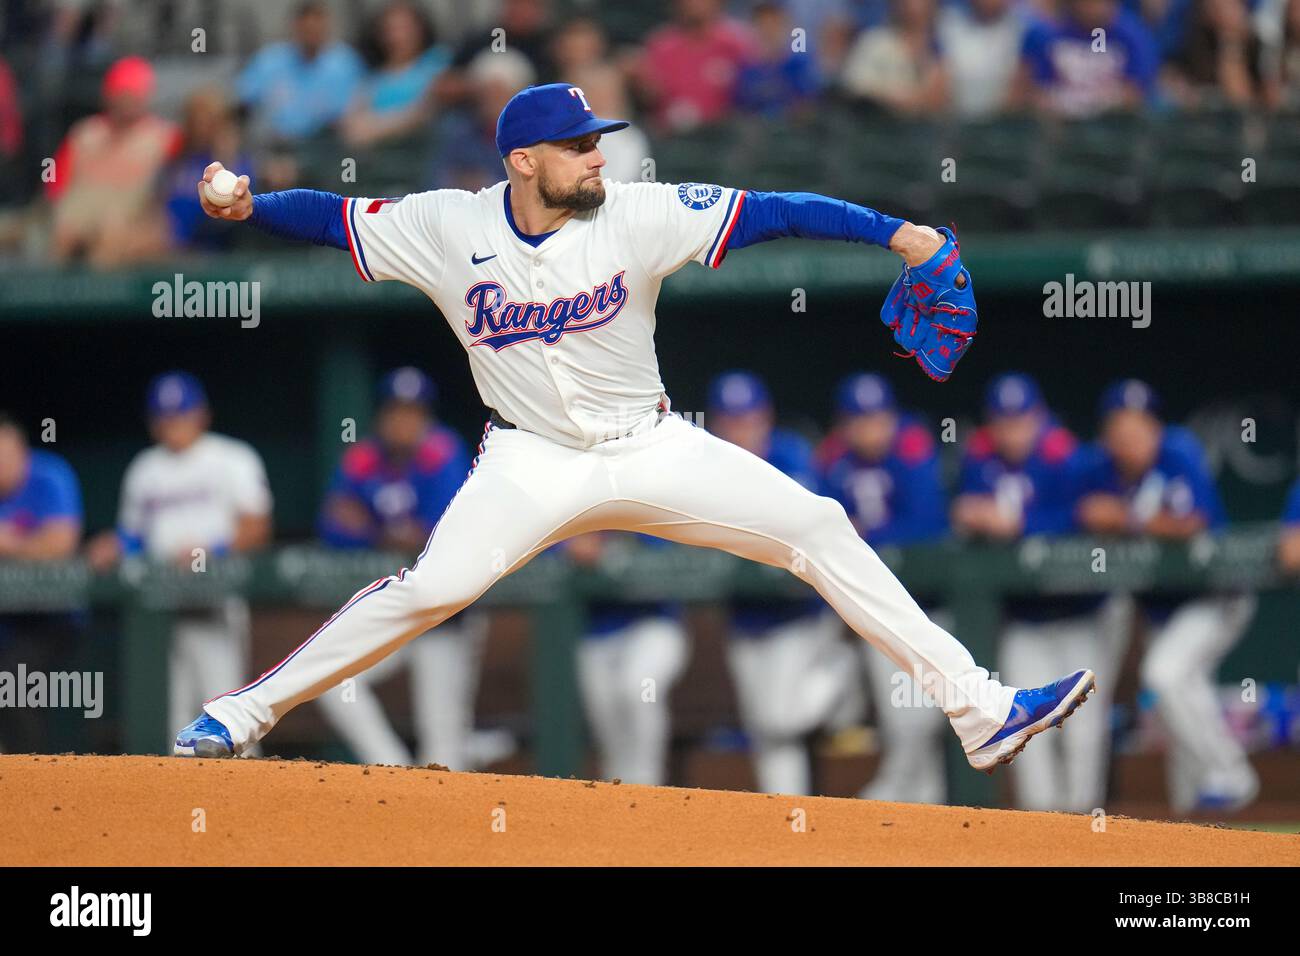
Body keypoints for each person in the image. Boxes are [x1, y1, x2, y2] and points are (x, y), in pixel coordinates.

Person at [177, 82, 1094, 777]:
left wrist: (905, 236)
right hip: (529, 459)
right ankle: (241, 714)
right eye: (577, 146)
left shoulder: (639, 212)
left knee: (817, 525)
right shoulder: (444, 226)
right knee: (431, 589)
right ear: (523, 161)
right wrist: (250, 204)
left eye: (598, 141)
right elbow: (336, 219)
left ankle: (980, 710)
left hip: (651, 445)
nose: (598, 157)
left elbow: (777, 210)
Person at [1075, 380, 1258, 814]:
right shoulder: (1099, 466)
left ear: (1156, 428)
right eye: (1121, 430)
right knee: (1179, 703)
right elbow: (1078, 510)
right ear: (1108, 435)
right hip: (1163, 610)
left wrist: (1125, 517)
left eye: (1141, 428)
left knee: (1165, 674)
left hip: (1214, 596)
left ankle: (1231, 771)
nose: (1132, 440)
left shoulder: (1178, 451)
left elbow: (1192, 523)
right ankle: (1193, 821)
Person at [953, 373, 1123, 812]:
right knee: (1025, 722)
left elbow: (1093, 514)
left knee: (1085, 729)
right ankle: (1040, 827)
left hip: (1080, 613)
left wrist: (1021, 523)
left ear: (1039, 417)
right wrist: (971, 516)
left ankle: (1086, 821)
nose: (1013, 431)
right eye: (1004, 421)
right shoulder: (980, 460)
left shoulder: (1069, 456)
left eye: (1022, 419)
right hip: (1024, 619)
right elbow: (960, 516)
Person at [85, 372, 272, 751]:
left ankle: (251, 800)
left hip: (213, 602)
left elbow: (257, 526)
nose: (174, 424)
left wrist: (210, 550)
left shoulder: (231, 457)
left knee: (227, 711)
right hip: (157, 610)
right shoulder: (145, 468)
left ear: (202, 414)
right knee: (169, 721)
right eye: (165, 416)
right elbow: (135, 535)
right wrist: (115, 545)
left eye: (181, 414)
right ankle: (177, 803)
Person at [314, 367, 489, 769]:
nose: (403, 420)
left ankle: (443, 818)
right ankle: (392, 770)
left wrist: (373, 525)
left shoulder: (443, 451)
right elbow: (332, 524)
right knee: (336, 680)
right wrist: (391, 532)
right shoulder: (363, 456)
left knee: (442, 739)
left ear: (426, 417)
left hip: (445, 615)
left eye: (413, 411)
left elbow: (439, 529)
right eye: (395, 410)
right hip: (392, 609)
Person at [709, 371, 860, 795]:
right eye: (731, 420)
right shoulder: (709, 463)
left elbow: (804, 523)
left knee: (777, 718)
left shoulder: (791, 454)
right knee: (766, 730)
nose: (741, 429)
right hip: (746, 618)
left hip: (799, 614)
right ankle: (784, 810)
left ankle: (841, 673)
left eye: (748, 418)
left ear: (765, 416)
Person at [818, 373, 948, 803]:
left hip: (929, 606)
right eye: (859, 419)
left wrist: (867, 534)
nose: (869, 428)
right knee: (902, 716)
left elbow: (928, 526)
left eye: (877, 418)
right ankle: (918, 810)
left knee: (920, 716)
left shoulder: (913, 446)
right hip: (877, 611)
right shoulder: (836, 460)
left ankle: (896, 792)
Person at [567, 532, 688, 785]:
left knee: (637, 687)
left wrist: (613, 536)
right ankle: (620, 799)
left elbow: (675, 543)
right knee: (609, 732)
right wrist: (566, 544)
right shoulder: (573, 496)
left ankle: (647, 787)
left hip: (653, 624)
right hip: (595, 631)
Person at [0, 414, 84, 754]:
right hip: (6, 621)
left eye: (5, 456)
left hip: (53, 619)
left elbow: (60, 543)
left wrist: (9, 544)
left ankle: (27, 776)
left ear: (23, 451)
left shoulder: (49, 475)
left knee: (12, 683)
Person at [47, 55, 180, 267]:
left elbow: (179, 191)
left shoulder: (165, 137)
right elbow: (55, 188)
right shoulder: (84, 134)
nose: (125, 102)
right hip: (80, 217)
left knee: (111, 238)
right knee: (64, 233)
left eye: (132, 94)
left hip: (135, 221)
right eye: (120, 94)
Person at [236, 0, 364, 145]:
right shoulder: (268, 61)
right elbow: (241, 104)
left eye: (316, 29)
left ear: (326, 27)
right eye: (306, 30)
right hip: (275, 144)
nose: (311, 35)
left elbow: (358, 110)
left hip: (328, 145)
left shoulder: (346, 63)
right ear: (295, 28)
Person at [1017, 0, 1159, 117]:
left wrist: (1091, 105)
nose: (1097, 7)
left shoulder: (1133, 35)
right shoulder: (1046, 34)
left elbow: (1136, 93)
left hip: (1114, 126)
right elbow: (1034, 92)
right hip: (1059, 126)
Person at [635, 0, 758, 132]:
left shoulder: (738, 42)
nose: (695, 4)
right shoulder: (661, 45)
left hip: (725, 135)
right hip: (673, 136)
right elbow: (650, 98)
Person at [340, 0, 449, 149]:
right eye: (390, 29)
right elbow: (352, 117)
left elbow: (426, 110)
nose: (397, 36)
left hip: (417, 149)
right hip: (375, 154)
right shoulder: (373, 77)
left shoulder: (437, 61)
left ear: (420, 29)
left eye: (405, 28)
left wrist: (378, 128)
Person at [840, 0, 948, 115]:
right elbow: (853, 87)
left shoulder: (945, 47)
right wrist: (907, 99)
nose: (916, 5)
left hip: (924, 128)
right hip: (878, 125)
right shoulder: (875, 42)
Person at [937, 0, 1030, 118]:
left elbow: (1023, 85)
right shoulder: (949, 24)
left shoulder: (1022, 27)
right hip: (957, 119)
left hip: (1003, 121)